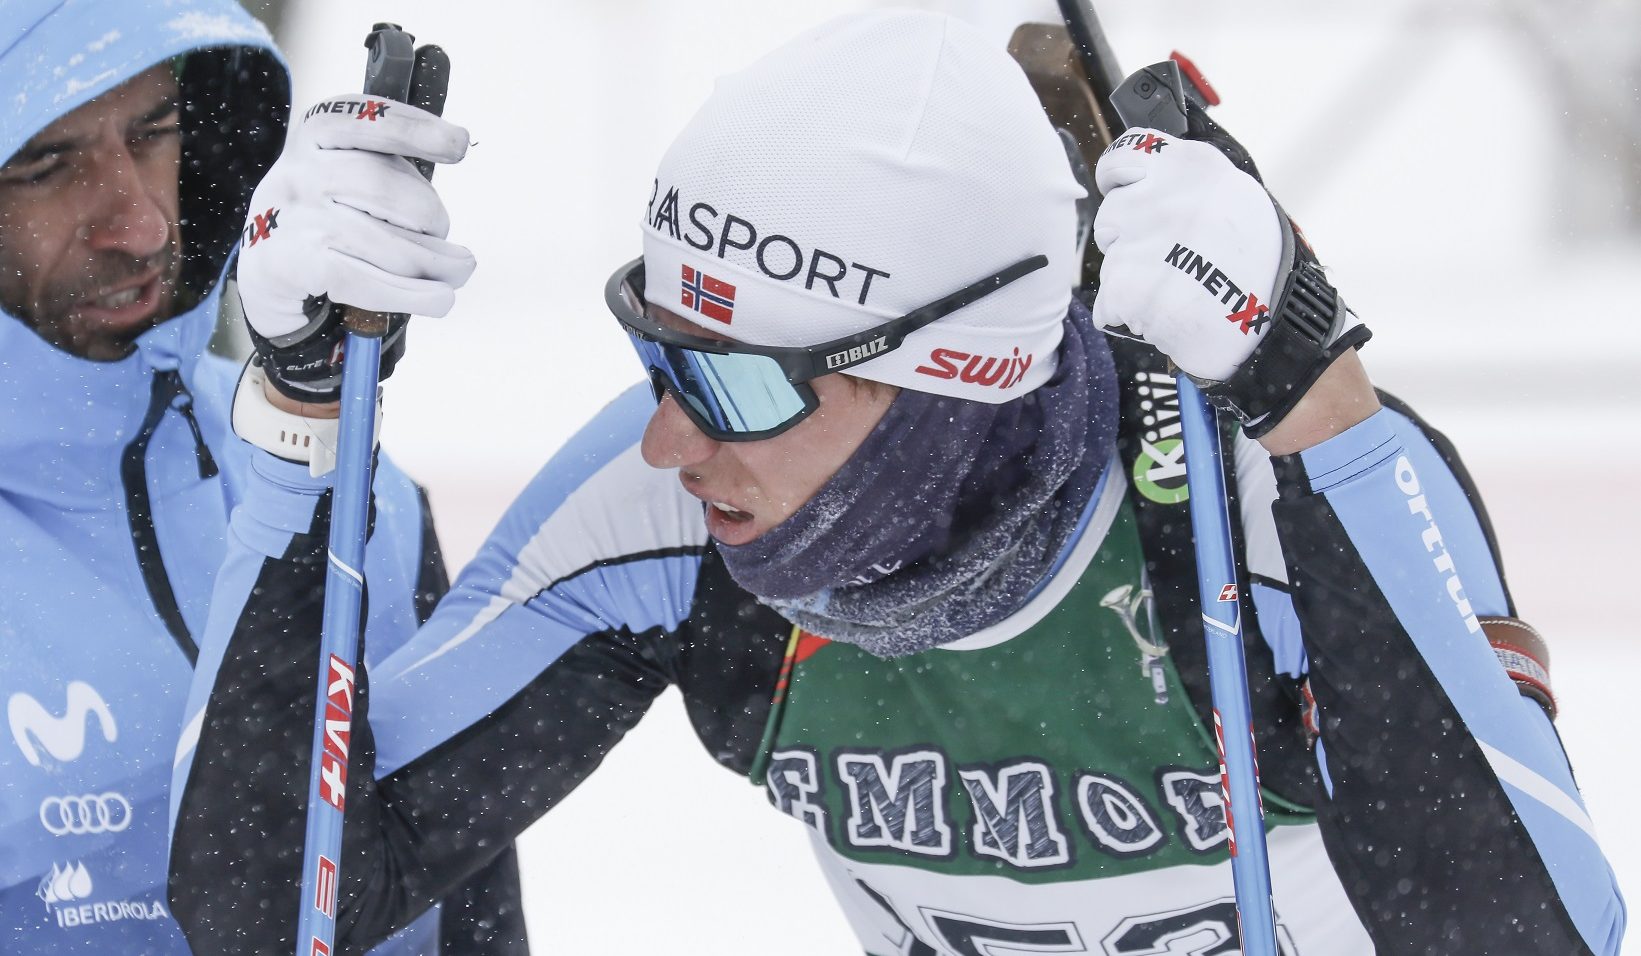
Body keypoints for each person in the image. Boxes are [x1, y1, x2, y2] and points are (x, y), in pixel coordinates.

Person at [169, 10, 1626, 955]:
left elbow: (1524, 934)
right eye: (657, 354)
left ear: (960, 375)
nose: (669, 440)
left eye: (732, 382)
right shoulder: (669, 508)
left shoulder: (1258, 485)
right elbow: (270, 898)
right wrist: (297, 418)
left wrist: (1321, 403)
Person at [0, 0, 526, 952]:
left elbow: (469, 908)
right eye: (47, 163)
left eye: (153, 132)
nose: (141, 222)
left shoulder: (346, 478)